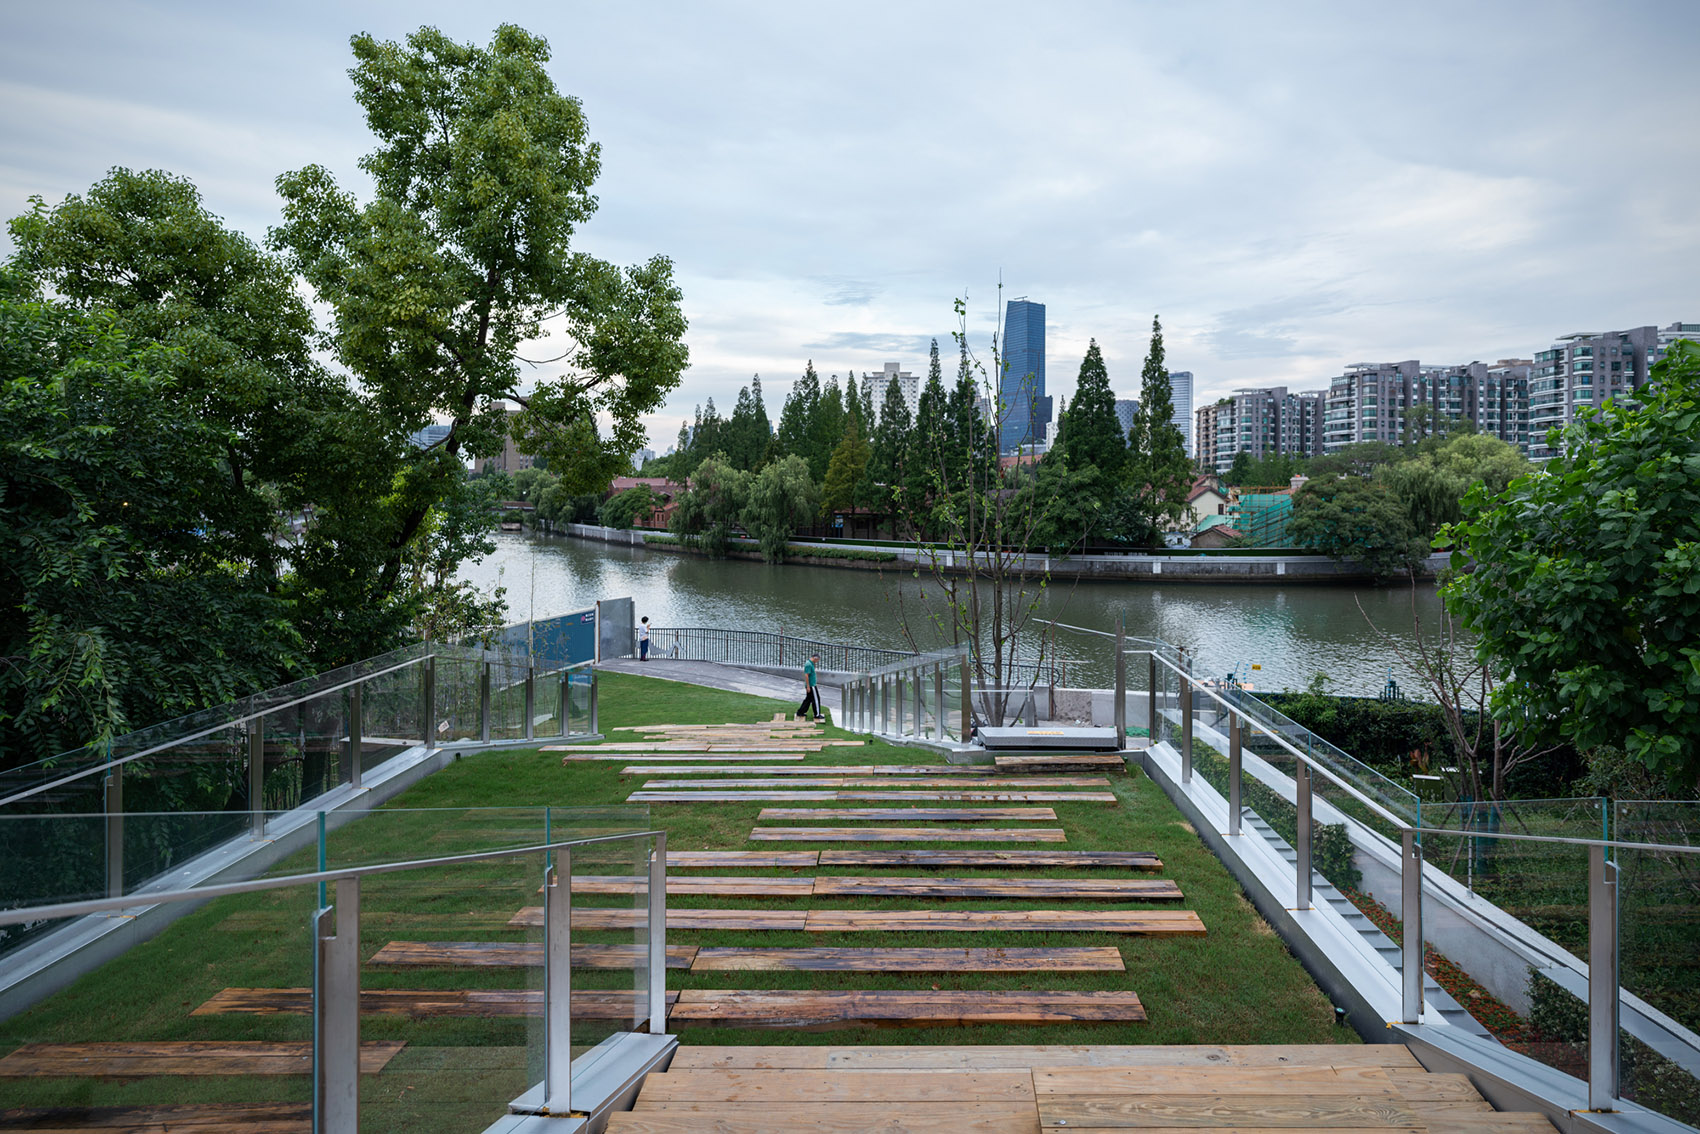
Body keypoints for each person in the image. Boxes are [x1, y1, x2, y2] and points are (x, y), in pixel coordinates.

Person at [797, 653, 822, 721]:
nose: (817, 661)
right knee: (816, 699)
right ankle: (817, 714)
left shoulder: (811, 663)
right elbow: (806, 675)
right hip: (811, 685)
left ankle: (800, 712)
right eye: (817, 660)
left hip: (812, 685)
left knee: (808, 699)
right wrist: (808, 686)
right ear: (815, 658)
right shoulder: (809, 664)